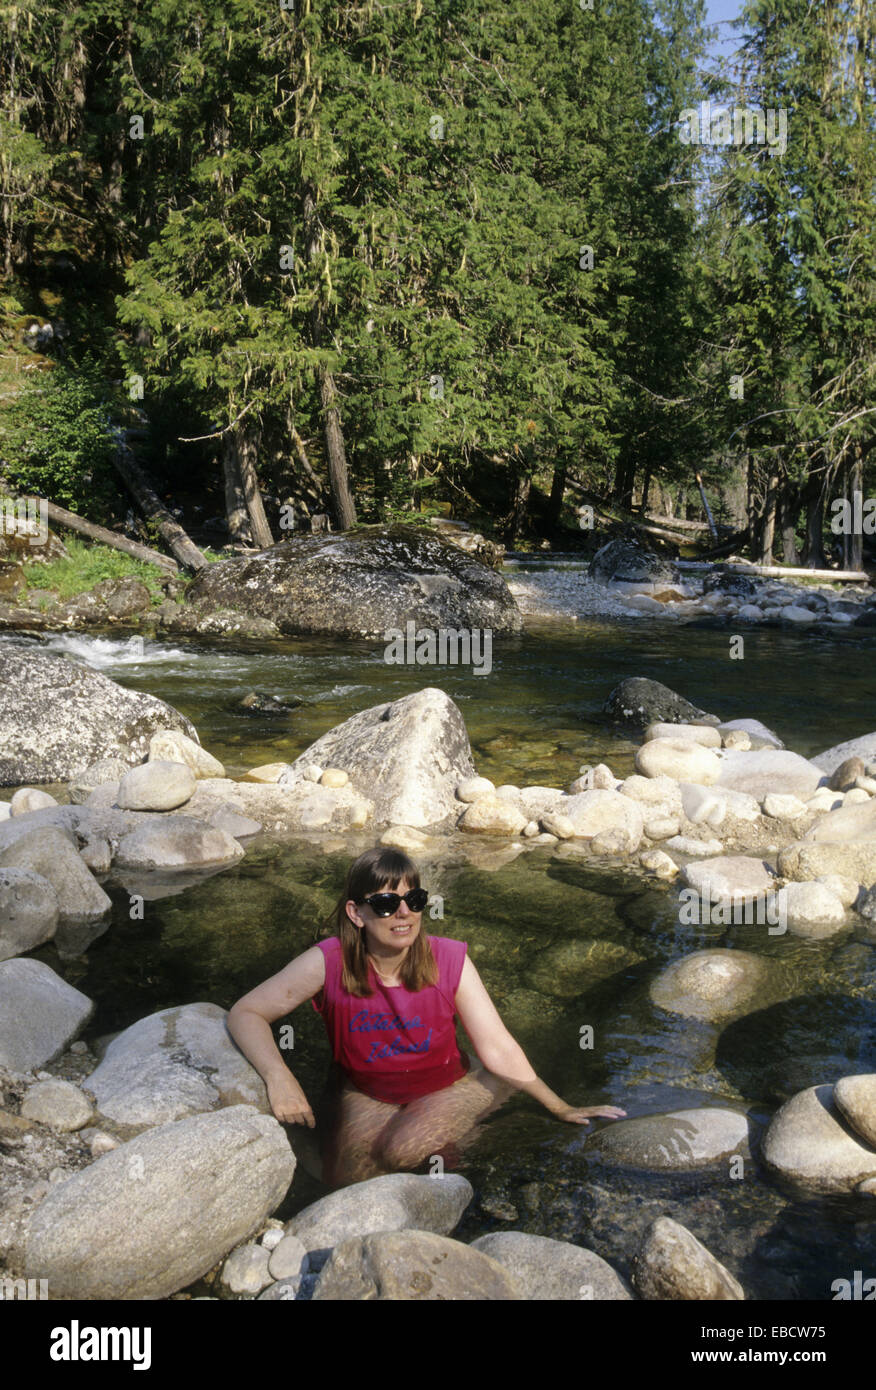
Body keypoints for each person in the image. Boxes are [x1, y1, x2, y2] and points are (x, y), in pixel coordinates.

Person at [227, 847, 625, 1187]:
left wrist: (559, 1107)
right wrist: (280, 1078)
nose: (404, 914)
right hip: (368, 1091)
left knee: (402, 1152)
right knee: (347, 1180)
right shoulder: (328, 961)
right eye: (386, 903)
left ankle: (495, 1093)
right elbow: (247, 1012)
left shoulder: (449, 959)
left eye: (414, 901)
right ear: (356, 912)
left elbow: (497, 1044)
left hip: (443, 1087)